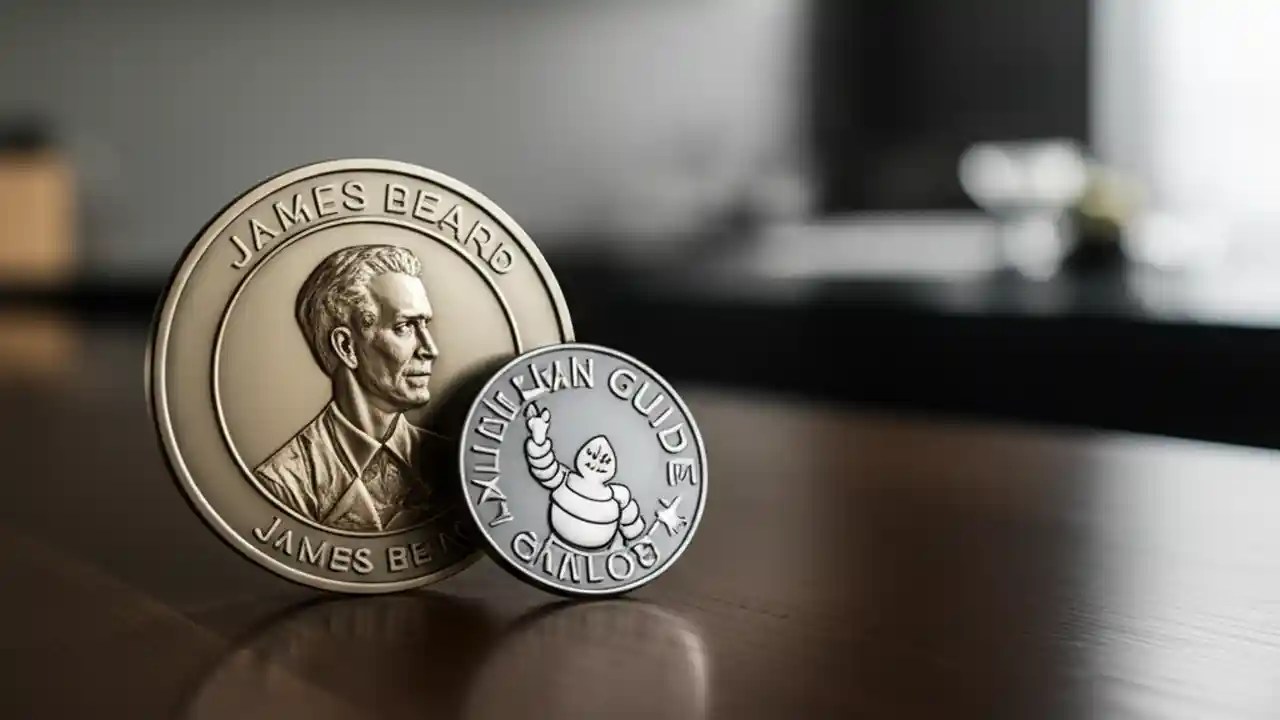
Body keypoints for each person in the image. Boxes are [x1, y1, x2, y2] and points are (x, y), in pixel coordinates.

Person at [254, 244, 447, 533]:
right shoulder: (284, 483)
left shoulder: (453, 460)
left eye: (425, 325)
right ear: (346, 347)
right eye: (405, 326)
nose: (431, 349)